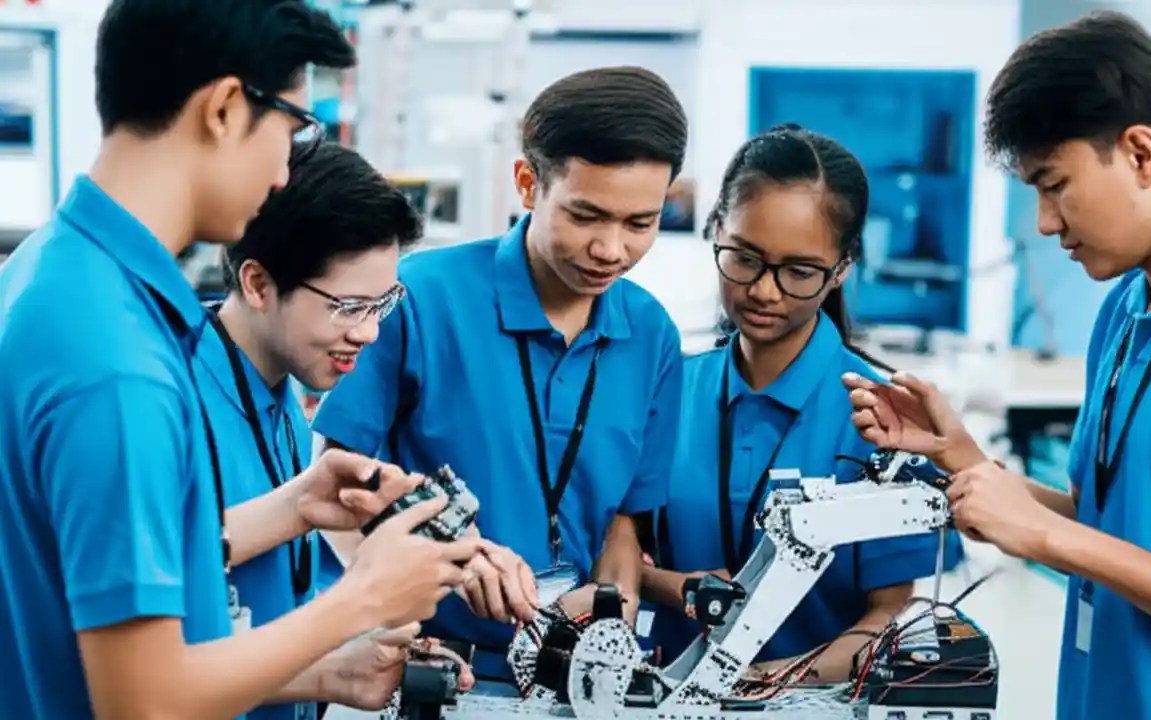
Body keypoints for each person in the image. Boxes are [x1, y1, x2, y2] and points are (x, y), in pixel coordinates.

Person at [0, 2, 484, 718]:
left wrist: (294, 508)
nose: (287, 172)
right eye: (292, 130)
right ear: (225, 108)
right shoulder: (116, 358)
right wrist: (362, 600)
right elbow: (145, 702)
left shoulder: (60, 275)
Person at [846, 11, 1151, 720]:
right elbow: (1123, 528)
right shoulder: (1128, 310)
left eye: (1054, 185)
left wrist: (1053, 537)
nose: (1045, 223)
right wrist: (966, 461)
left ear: (1141, 154)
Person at [312, 66, 688, 680]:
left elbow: (625, 520)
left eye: (639, 224)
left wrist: (607, 628)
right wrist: (409, 588)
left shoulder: (652, 335)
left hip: (567, 679)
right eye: (586, 216)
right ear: (527, 183)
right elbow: (335, 482)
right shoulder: (420, 298)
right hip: (421, 668)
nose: (611, 250)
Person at [198, 142, 539, 719]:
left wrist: (339, 667)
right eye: (348, 306)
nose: (370, 334)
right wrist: (362, 602)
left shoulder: (279, 394)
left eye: (382, 304)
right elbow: (143, 659)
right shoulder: (175, 404)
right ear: (258, 284)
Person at [641, 125, 957, 681]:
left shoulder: (881, 420)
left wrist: (770, 683)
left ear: (841, 270)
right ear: (716, 231)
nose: (764, 291)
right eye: (744, 258)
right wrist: (673, 588)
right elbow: (617, 559)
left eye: (799, 272)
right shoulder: (665, 391)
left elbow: (890, 613)